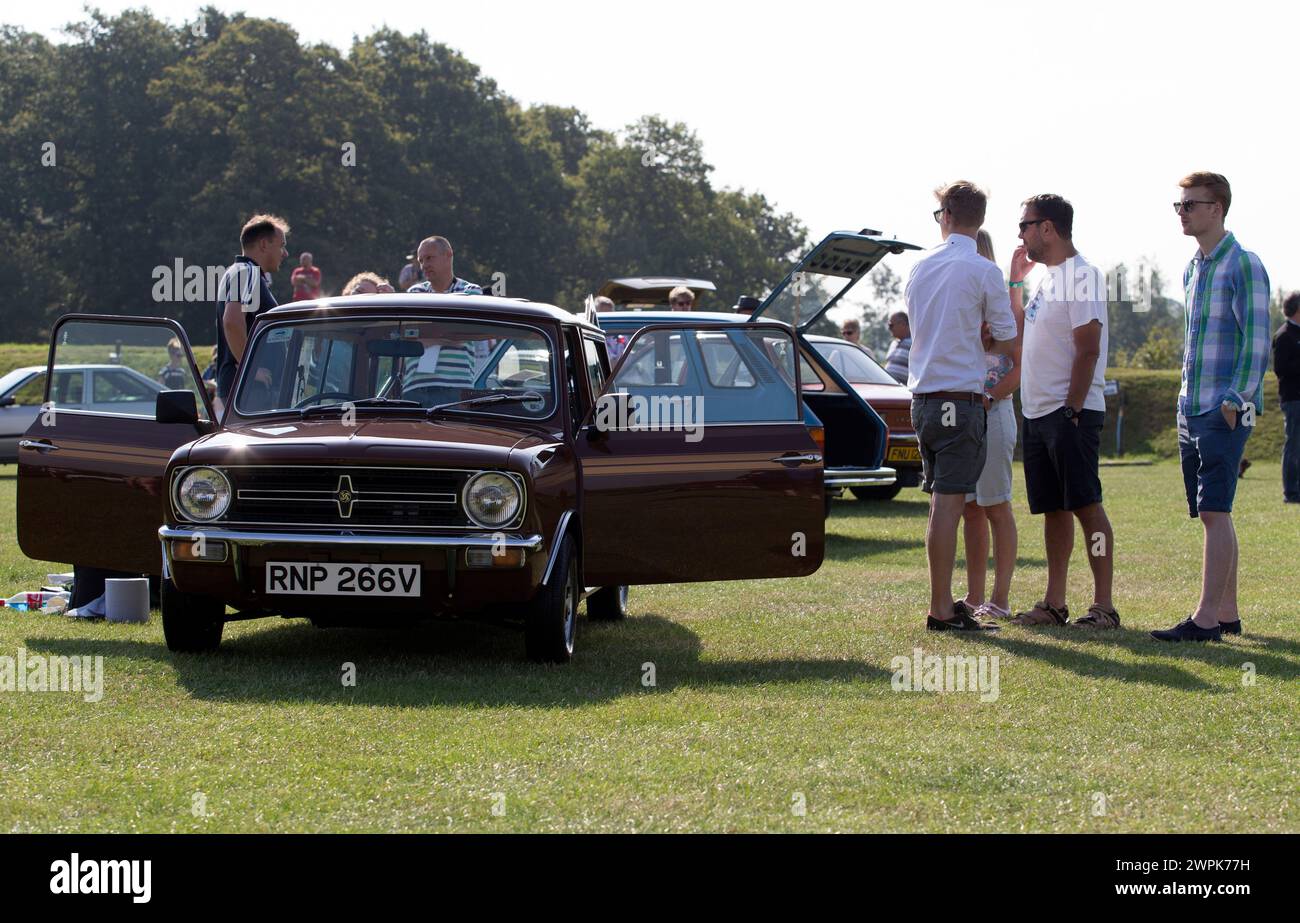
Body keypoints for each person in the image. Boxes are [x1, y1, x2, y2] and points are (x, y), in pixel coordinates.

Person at [1153, 172, 1270, 642]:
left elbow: (1257, 342)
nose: (1182, 213)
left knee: (1214, 511)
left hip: (1224, 406)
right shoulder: (1193, 268)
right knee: (1213, 511)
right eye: (1178, 205)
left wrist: (1233, 400)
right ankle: (1226, 614)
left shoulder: (1243, 264)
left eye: (1190, 205)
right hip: (1193, 404)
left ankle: (1204, 621)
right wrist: (1184, 402)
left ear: (1217, 208)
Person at [905, 180, 1018, 631]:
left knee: (941, 505)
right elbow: (1007, 340)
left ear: (946, 216)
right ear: (981, 219)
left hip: (923, 398)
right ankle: (941, 608)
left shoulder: (919, 267)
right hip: (961, 398)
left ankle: (944, 602)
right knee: (950, 507)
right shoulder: (983, 270)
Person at [1010, 194, 1119, 630]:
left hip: (1068, 413)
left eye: (1025, 225)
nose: (1021, 233)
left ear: (1048, 228)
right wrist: (1016, 281)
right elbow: (1019, 332)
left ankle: (1104, 607)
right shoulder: (1047, 278)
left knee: (1087, 507)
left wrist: (1072, 409)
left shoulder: (1081, 276)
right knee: (1054, 510)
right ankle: (1055, 604)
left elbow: (1088, 349)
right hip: (1038, 414)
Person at [959, 229, 1022, 621]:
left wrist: (988, 396)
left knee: (996, 505)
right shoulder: (958, 307)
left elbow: (1019, 367)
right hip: (962, 413)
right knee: (968, 507)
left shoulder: (1005, 306)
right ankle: (973, 595)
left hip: (994, 412)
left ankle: (1000, 598)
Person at [214, 214, 288, 413]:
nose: (285, 253)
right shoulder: (246, 271)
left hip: (251, 388)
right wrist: (251, 368)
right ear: (264, 244)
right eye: (281, 245)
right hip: (251, 391)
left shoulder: (243, 272)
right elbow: (231, 321)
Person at [1274, 292, 1300, 503]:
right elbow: (1280, 369)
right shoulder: (1284, 335)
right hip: (1293, 399)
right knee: (1294, 445)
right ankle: (1291, 492)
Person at [407, 237, 483, 294]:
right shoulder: (416, 292)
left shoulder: (469, 291)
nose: (424, 266)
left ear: (448, 255)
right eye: (421, 261)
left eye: (429, 258)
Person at [883, 311, 911, 384]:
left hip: (903, 391)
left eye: (891, 325)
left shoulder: (915, 343)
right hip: (888, 389)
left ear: (902, 324)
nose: (889, 328)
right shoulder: (893, 343)